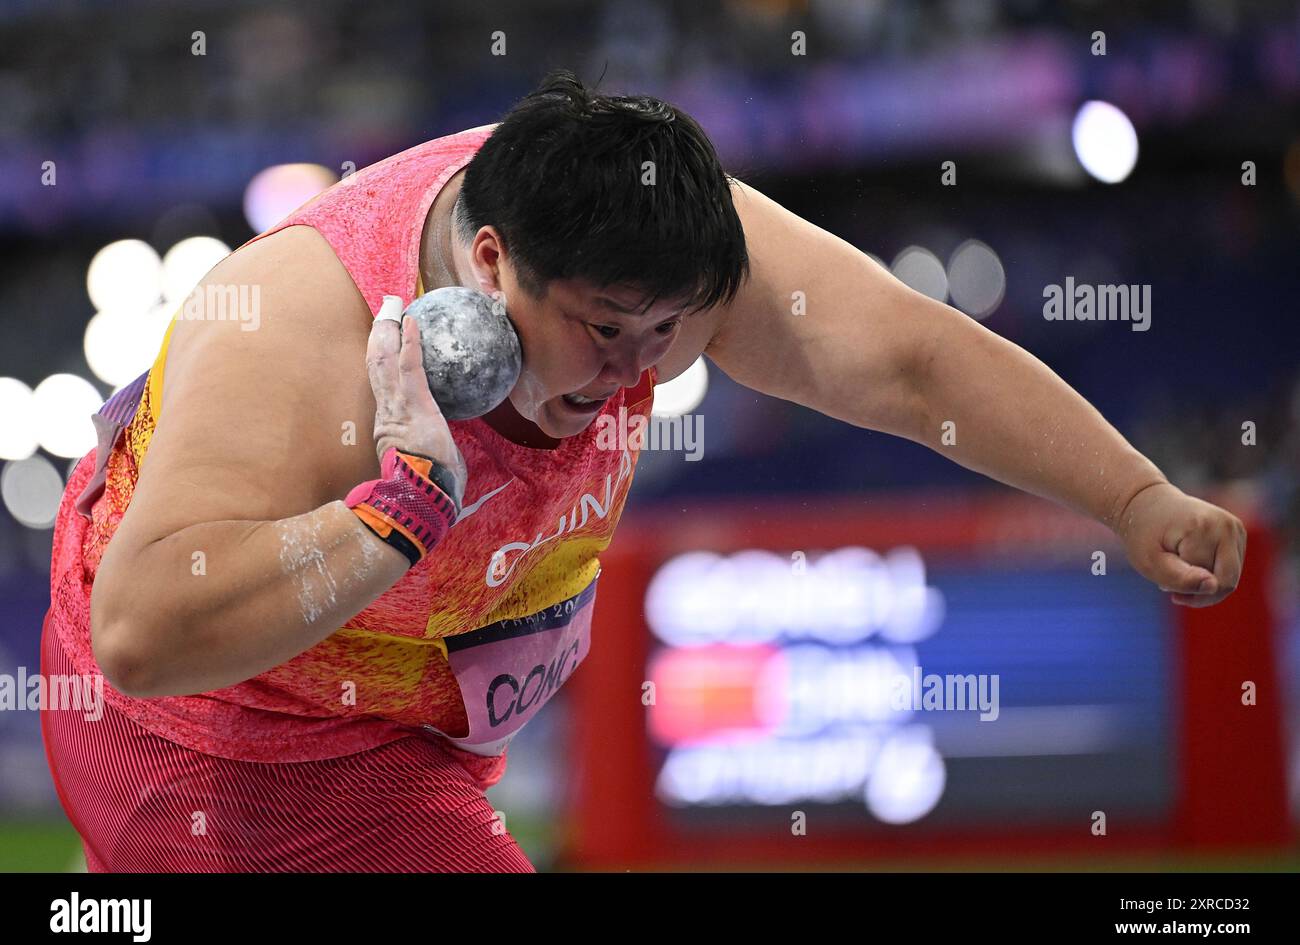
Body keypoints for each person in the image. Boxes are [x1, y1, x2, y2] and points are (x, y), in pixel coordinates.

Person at [40, 69, 1245, 873]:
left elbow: (915, 365)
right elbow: (144, 629)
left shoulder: (673, 248)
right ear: (491, 265)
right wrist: (397, 512)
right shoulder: (300, 329)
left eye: (670, 334)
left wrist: (1130, 495)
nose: (633, 372)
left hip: (406, 704)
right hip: (211, 733)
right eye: (604, 330)